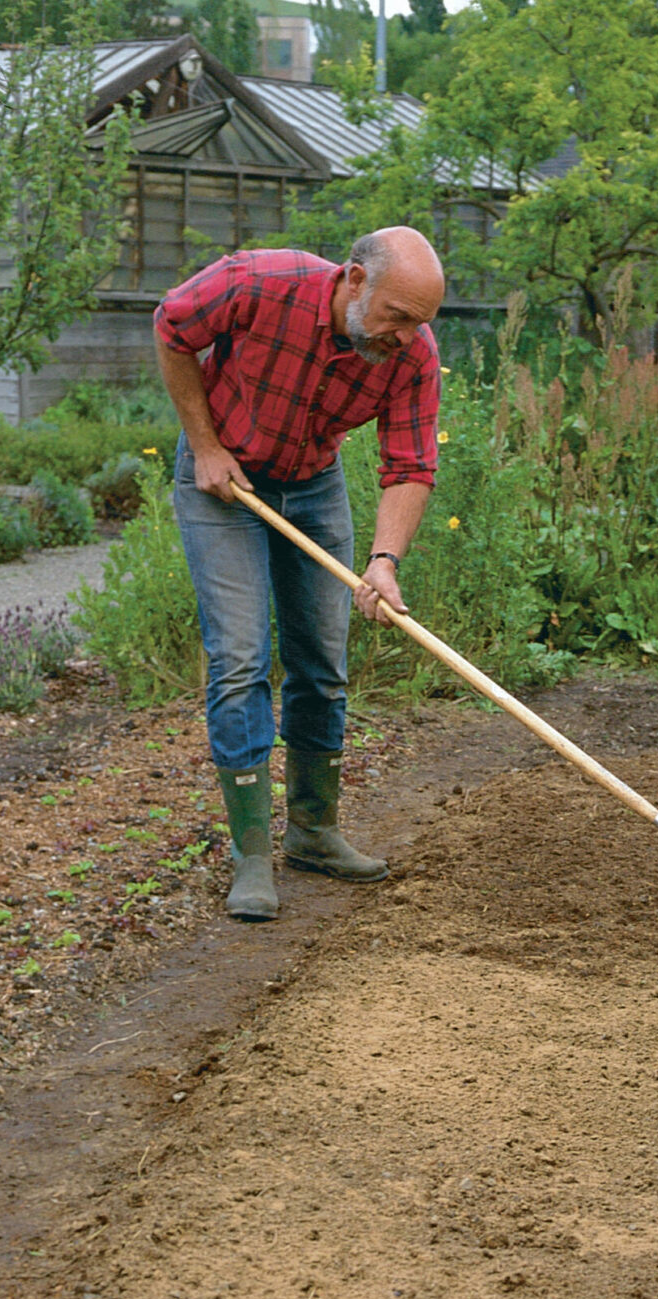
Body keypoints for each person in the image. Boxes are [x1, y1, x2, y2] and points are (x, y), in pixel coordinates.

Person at [153, 227, 445, 920]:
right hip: (223, 482)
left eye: (421, 323)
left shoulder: (411, 356)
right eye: (396, 316)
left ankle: (313, 833)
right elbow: (172, 326)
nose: (406, 336)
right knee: (241, 658)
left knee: (322, 659)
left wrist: (383, 561)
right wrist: (204, 445)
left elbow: (410, 464)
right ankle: (252, 856)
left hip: (313, 485)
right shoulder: (258, 280)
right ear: (352, 280)